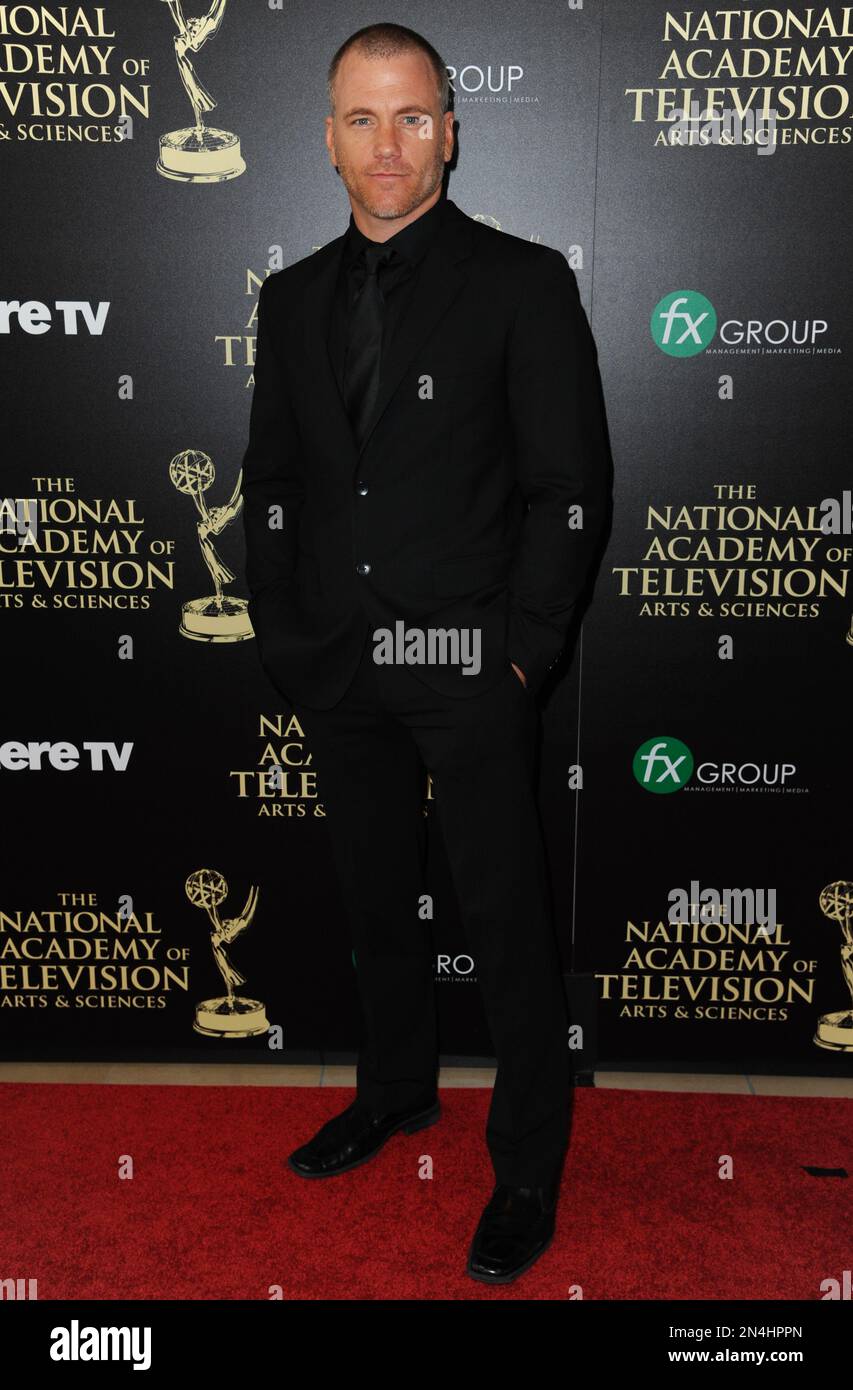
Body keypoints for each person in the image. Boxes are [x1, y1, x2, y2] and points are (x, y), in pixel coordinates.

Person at [241, 21, 612, 1284]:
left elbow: (567, 488)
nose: (387, 145)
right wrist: (285, 626)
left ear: (452, 128)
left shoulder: (521, 283)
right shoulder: (289, 300)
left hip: (469, 662)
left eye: (411, 116)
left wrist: (519, 654)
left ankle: (524, 1169)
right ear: (328, 139)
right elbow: (275, 479)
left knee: (507, 926)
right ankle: (395, 1088)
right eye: (361, 118)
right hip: (337, 662)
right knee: (372, 901)